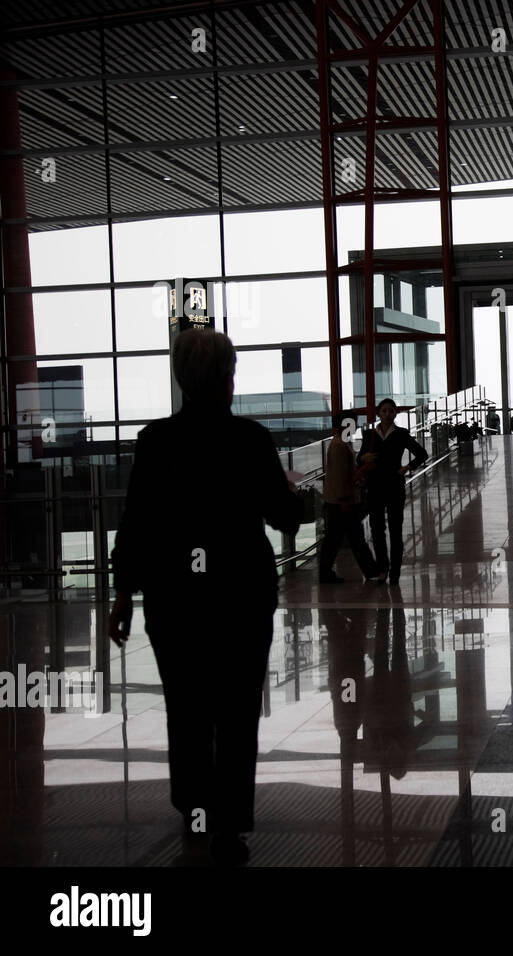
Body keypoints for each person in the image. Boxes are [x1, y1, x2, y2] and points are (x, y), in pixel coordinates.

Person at [107, 329, 302, 865]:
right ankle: (228, 828)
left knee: (187, 710)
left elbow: (136, 523)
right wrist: (298, 494)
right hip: (240, 597)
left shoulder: (155, 442)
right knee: (236, 714)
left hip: (176, 602)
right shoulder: (249, 440)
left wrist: (123, 594)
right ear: (225, 379)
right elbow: (284, 516)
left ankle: (194, 808)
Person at [358, 398, 429, 587]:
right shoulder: (369, 435)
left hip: (394, 486)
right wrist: (364, 457)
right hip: (374, 487)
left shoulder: (401, 434)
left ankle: (395, 572)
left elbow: (422, 454)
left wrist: (407, 467)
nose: (388, 414)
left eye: (391, 411)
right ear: (379, 414)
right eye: (384, 411)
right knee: (377, 529)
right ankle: (383, 569)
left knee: (396, 530)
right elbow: (359, 459)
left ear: (396, 414)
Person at [320, 412, 385, 585]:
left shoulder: (341, 444)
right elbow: (341, 476)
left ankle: (326, 573)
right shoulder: (339, 446)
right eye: (351, 424)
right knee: (354, 539)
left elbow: (345, 473)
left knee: (336, 540)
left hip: (339, 500)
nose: (354, 427)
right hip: (342, 502)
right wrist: (345, 499)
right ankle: (372, 571)